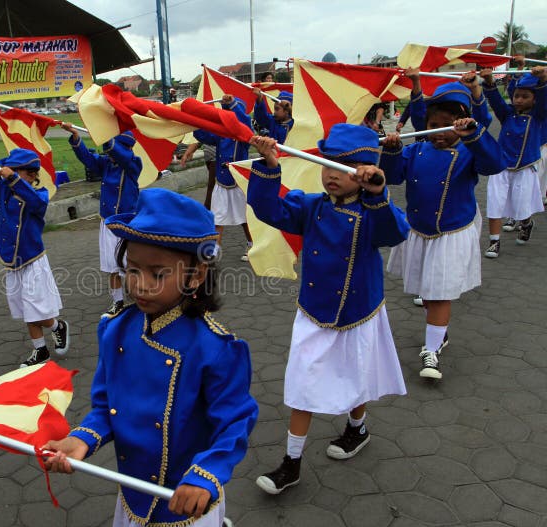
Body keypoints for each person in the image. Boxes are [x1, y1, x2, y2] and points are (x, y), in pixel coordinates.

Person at [43, 188, 258, 527]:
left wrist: (206, 476)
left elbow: (235, 421)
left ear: (196, 276)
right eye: (132, 270)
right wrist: (81, 439)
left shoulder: (216, 348)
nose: (140, 285)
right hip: (135, 490)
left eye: (158, 275)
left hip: (186, 499)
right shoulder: (114, 331)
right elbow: (106, 406)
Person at [247, 125, 409, 495]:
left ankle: (358, 427)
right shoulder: (310, 206)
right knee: (302, 385)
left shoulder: (376, 212)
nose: (332, 174)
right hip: (314, 313)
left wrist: (378, 192)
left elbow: (393, 234)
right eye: (326, 164)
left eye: (344, 167)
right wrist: (269, 165)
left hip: (359, 313)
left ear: (366, 171)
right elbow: (268, 208)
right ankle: (291, 462)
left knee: (358, 377)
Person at [380, 82, 504, 380]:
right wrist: (394, 151)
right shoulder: (416, 150)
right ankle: (440, 333)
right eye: (433, 125)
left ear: (461, 124)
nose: (439, 131)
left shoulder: (469, 151)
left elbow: (495, 165)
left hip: (451, 233)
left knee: (438, 293)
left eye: (448, 126)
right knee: (428, 287)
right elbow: (393, 178)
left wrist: (473, 135)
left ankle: (432, 351)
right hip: (419, 231)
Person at [0, 137, 69, 368]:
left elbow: (34, 201)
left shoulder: (40, 195)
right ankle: (41, 350)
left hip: (33, 260)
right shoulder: (3, 191)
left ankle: (57, 326)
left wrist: (14, 179)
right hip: (12, 260)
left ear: (32, 175)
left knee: (35, 308)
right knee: (27, 309)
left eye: (23, 172)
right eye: (13, 170)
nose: (11, 174)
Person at [63, 125, 141, 316]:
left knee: (132, 265)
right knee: (111, 266)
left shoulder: (133, 163)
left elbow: (120, 154)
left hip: (127, 224)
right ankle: (118, 301)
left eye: (115, 148)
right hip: (107, 222)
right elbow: (88, 158)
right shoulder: (107, 163)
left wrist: (104, 135)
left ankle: (140, 296)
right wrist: (76, 138)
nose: (109, 153)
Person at [481, 64, 547, 257]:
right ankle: (494, 242)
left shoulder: (539, 116)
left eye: (525, 97)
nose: (518, 100)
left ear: (535, 99)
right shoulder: (507, 114)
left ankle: (526, 223)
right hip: (501, 166)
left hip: (525, 167)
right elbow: (495, 101)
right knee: (495, 202)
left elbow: (545, 101)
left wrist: (543, 80)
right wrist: (489, 81)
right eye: (516, 95)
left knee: (521, 205)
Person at [193, 94, 254, 261]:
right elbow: (204, 135)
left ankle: (252, 246)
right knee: (217, 216)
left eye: (231, 114)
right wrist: (194, 119)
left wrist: (233, 104)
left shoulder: (245, 136)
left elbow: (246, 123)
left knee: (245, 219)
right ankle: (213, 250)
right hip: (222, 181)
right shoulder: (221, 134)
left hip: (239, 182)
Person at [179, 141, 217, 209]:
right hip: (210, 160)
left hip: (218, 159)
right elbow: (199, 139)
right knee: (215, 187)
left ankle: (206, 211)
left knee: (212, 186)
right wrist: (189, 152)